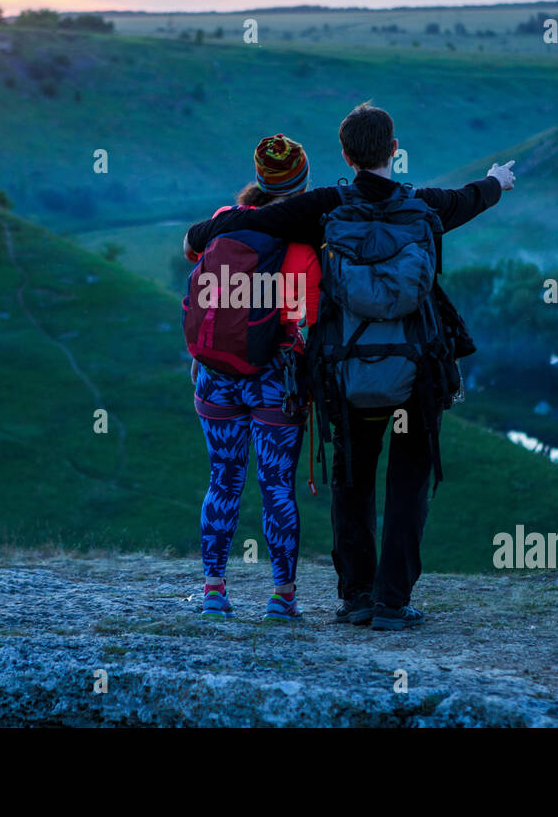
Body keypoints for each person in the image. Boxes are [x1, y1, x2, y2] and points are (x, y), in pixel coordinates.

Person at [183, 103, 515, 630]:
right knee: (409, 480)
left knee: (353, 477)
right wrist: (497, 182)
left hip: (347, 371)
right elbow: (467, 200)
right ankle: (392, 602)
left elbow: (252, 221)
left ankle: (356, 596)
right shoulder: (424, 208)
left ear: (345, 154)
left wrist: (204, 233)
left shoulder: (323, 206)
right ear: (394, 150)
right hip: (417, 371)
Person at [186, 134, 321, 621]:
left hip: (215, 372)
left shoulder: (225, 220)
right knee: (276, 486)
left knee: (222, 481)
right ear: (304, 182)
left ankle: (214, 592)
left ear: (259, 179)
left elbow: (193, 255)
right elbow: (310, 314)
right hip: (275, 379)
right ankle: (282, 598)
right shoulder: (304, 244)